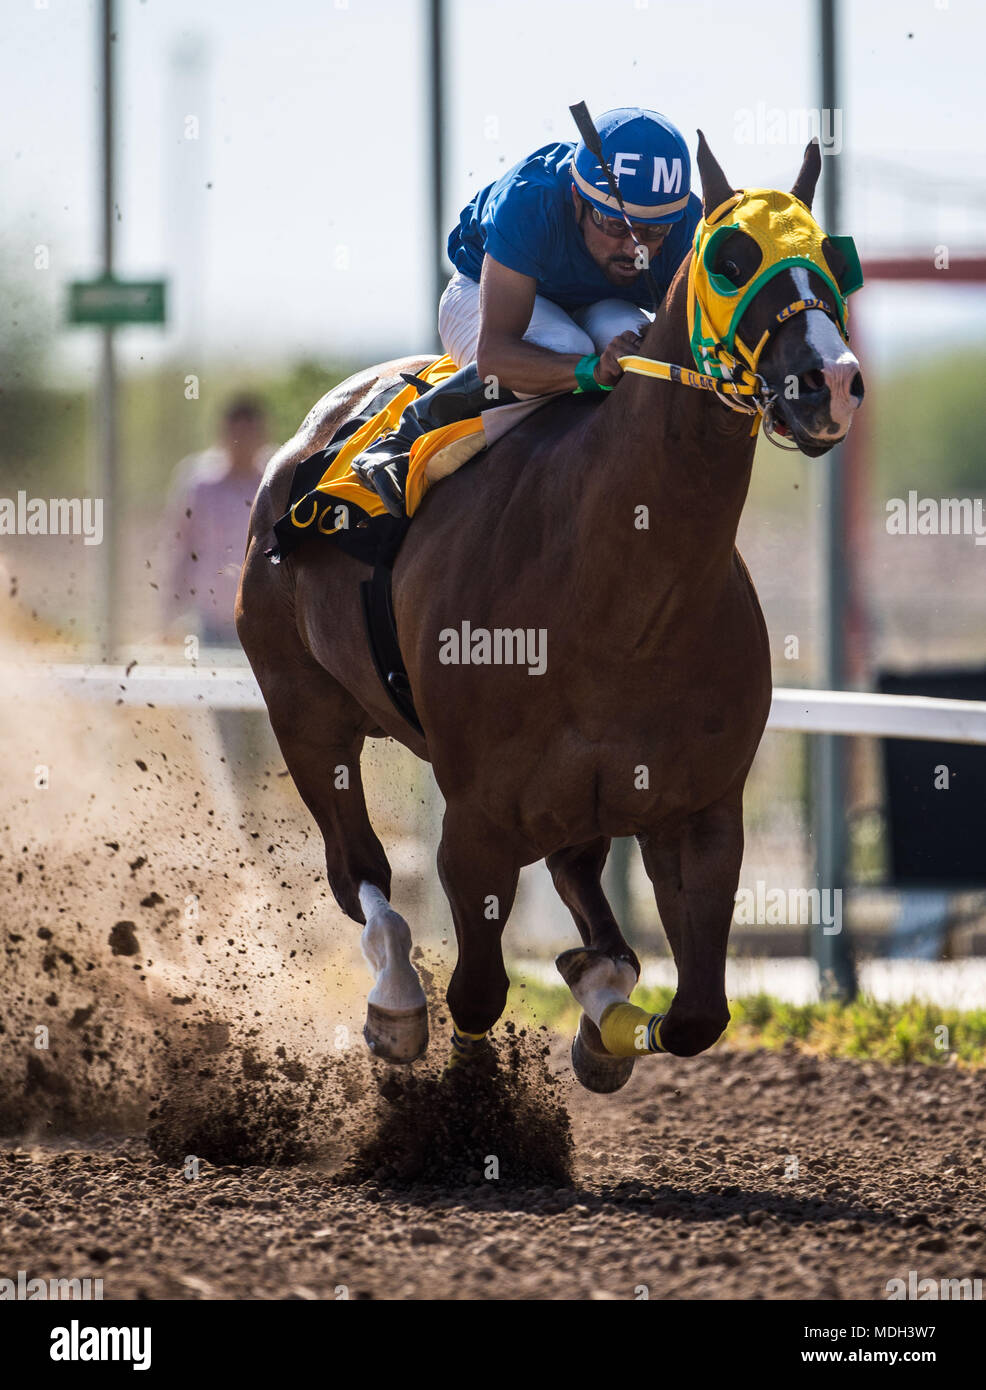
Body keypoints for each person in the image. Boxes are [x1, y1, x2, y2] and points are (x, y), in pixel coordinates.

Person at [354, 106, 702, 516]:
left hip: (596, 304)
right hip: (480, 293)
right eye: (614, 224)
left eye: (653, 232)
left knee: (635, 347)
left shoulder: (686, 226)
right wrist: (592, 370)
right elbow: (497, 357)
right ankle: (406, 436)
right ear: (578, 197)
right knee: (563, 342)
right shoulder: (530, 197)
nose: (635, 248)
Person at [166, 395, 272, 645]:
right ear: (223, 434)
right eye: (238, 434)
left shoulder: (275, 481)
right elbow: (180, 547)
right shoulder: (198, 483)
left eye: (250, 433)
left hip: (265, 623)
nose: (243, 442)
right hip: (209, 621)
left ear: (262, 434)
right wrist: (169, 614)